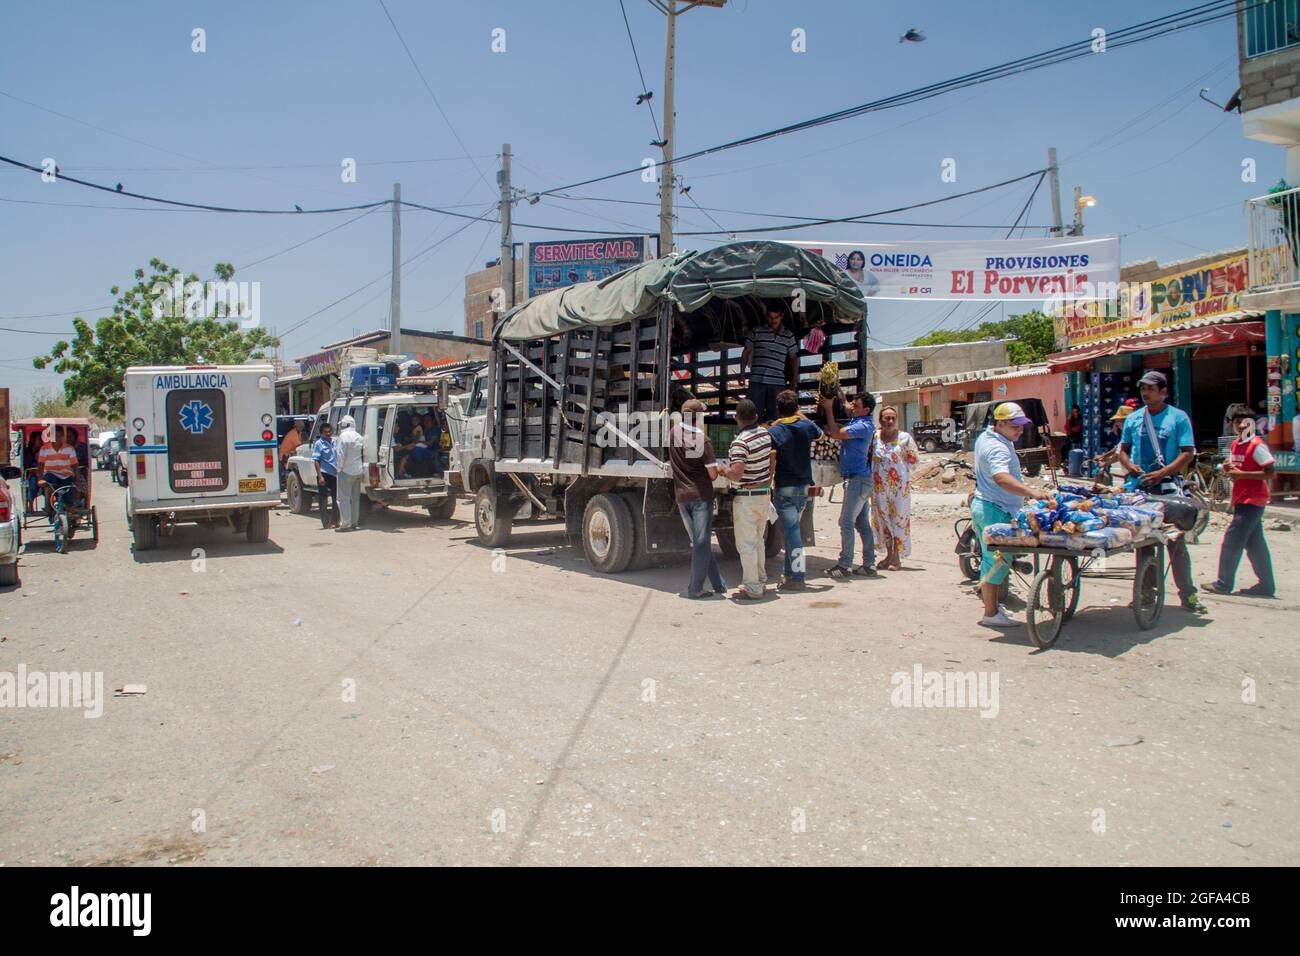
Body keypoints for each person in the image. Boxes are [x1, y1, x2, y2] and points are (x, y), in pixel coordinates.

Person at [1117, 370, 1206, 614]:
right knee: (1144, 542)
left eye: (1151, 389)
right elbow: (1122, 450)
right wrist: (1129, 465)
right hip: (1139, 489)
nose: (1146, 393)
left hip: (1168, 488)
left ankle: (1188, 595)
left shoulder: (1178, 418)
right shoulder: (1134, 418)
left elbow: (1187, 452)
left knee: (1175, 542)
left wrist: (1163, 472)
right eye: (1143, 389)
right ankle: (1146, 593)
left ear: (1164, 392)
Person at [972, 402, 1054, 629]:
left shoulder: (988, 438)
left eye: (1022, 426)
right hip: (994, 509)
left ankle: (993, 607)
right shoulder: (997, 447)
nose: (1020, 431)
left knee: (992, 560)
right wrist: (1033, 492)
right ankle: (990, 613)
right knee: (998, 561)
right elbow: (1001, 477)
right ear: (999, 423)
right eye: (1015, 426)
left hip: (987, 505)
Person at [1204, 411, 1275, 597]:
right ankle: (1266, 586)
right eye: (1237, 423)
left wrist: (1241, 474)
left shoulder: (1256, 445)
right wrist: (1230, 468)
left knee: (1232, 541)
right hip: (1242, 498)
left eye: (1245, 423)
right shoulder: (1236, 444)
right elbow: (1238, 468)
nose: (1241, 426)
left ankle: (1223, 584)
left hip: (1253, 499)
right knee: (1255, 544)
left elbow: (1270, 473)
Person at [668, 399, 726, 599]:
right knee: (701, 543)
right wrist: (718, 468)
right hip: (701, 495)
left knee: (699, 542)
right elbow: (712, 475)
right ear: (697, 417)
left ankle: (719, 584)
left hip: (682, 496)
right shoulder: (703, 440)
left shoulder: (673, 433)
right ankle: (695, 588)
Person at [818, 390, 878, 579]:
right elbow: (845, 405)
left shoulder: (862, 426)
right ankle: (869, 564)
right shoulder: (859, 420)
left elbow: (835, 433)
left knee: (846, 522)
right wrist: (838, 388)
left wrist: (828, 408)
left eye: (856, 405)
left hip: (857, 479)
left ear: (866, 409)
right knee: (861, 523)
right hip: (861, 479)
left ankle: (844, 565)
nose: (851, 407)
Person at [767, 390, 821, 591]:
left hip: (784, 487)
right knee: (792, 532)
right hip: (803, 487)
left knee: (792, 533)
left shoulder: (775, 431)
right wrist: (800, 415)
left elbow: (771, 460)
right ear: (797, 407)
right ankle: (789, 575)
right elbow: (820, 433)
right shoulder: (806, 426)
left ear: (778, 408)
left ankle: (798, 577)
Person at [719, 398, 772, 601]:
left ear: (737, 418)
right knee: (758, 541)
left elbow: (737, 473)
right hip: (763, 494)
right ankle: (760, 580)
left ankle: (752, 588)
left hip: (747, 498)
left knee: (747, 545)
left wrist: (724, 470)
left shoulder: (740, 442)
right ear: (756, 417)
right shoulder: (765, 435)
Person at [871, 405, 920, 570]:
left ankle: (897, 558)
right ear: (880, 420)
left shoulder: (905, 438)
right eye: (887, 418)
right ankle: (889, 554)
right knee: (883, 520)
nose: (890, 421)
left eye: (893, 418)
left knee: (898, 521)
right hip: (878, 488)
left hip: (899, 490)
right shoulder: (875, 437)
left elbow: (914, 461)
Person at [741, 306, 799, 424]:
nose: (773, 320)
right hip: (757, 380)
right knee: (752, 415)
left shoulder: (788, 335)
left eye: (776, 317)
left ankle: (774, 441)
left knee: (777, 417)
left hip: (777, 382)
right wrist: (742, 373)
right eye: (771, 317)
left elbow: (794, 358)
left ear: (781, 316)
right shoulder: (757, 331)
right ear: (767, 317)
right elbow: (746, 352)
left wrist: (794, 378)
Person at [38, 426, 80, 515]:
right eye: (54, 436)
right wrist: (40, 479)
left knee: (69, 496)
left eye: (59, 436)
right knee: (49, 483)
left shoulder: (69, 449)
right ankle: (49, 506)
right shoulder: (44, 449)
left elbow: (75, 466)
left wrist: (77, 480)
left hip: (66, 475)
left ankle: (70, 514)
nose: (57, 438)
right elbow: (41, 465)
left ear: (62, 437)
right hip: (51, 473)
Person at [334, 415, 365, 532]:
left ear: (345, 424)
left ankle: (345, 524)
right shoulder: (359, 436)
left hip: (346, 471)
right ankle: (354, 522)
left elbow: (341, 455)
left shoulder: (343, 436)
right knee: (355, 498)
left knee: (344, 499)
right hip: (358, 470)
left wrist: (338, 469)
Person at [311, 421, 339, 529]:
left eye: (329, 431)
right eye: (325, 432)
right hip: (324, 473)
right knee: (323, 499)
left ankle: (335, 521)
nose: (328, 434)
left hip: (335, 474)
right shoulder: (319, 443)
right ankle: (325, 522)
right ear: (321, 433)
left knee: (336, 499)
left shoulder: (335, 441)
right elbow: (316, 460)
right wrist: (320, 476)